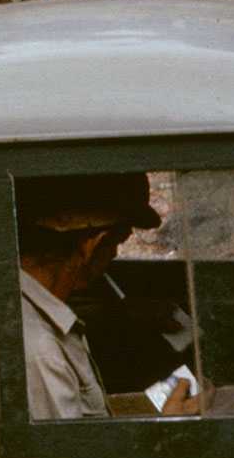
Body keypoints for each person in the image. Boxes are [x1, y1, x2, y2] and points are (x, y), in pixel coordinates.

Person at [15, 173, 160, 421]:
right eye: (118, 242)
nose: (113, 256)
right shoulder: (43, 353)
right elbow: (70, 456)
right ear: (92, 245)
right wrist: (164, 427)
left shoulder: (28, 309)